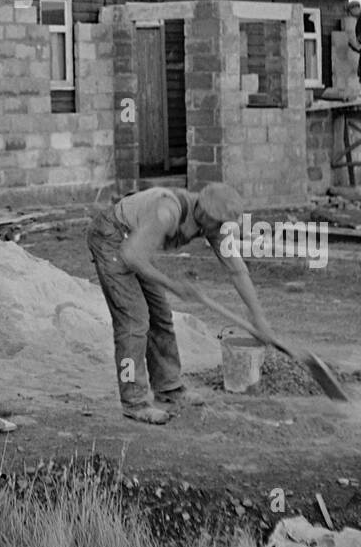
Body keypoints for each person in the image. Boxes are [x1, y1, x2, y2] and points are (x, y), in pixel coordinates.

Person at [86, 182, 280, 425]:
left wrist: (257, 316)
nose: (221, 229)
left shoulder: (213, 224)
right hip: (111, 239)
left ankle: (168, 387)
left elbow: (237, 270)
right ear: (201, 213)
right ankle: (133, 400)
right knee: (133, 322)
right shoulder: (168, 211)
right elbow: (131, 256)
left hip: (135, 243)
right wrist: (173, 285)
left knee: (161, 316)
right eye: (218, 223)